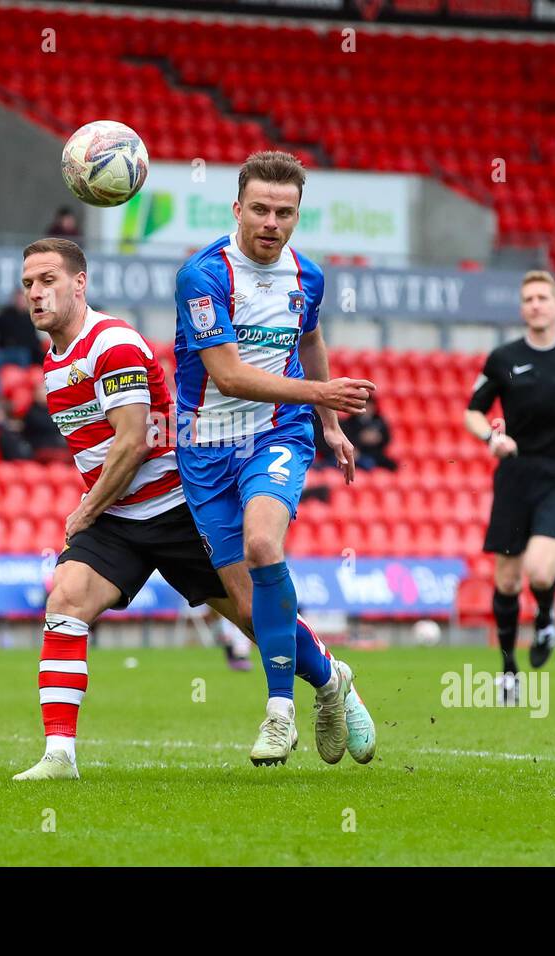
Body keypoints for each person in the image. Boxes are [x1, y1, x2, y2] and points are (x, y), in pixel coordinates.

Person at [12, 237, 375, 780]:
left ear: (79, 282)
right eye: (28, 285)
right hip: (121, 519)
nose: (36, 294)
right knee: (66, 599)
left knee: (255, 618)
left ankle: (330, 678)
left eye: (48, 280)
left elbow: (133, 442)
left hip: (178, 507)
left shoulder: (111, 344)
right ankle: (59, 756)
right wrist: (97, 512)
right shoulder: (55, 358)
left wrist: (85, 509)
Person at [173, 151, 376, 767]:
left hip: (275, 435)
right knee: (245, 609)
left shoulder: (308, 276)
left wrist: (329, 424)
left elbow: (309, 337)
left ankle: (279, 712)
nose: (271, 222)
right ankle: (334, 678)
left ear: (297, 215)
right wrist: (323, 393)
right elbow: (229, 376)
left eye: (284, 212)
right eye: (260, 209)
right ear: (237, 209)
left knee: (266, 546)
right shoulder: (203, 276)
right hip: (206, 449)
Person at [464, 269, 555, 705]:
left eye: (542, 297)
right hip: (514, 472)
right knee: (508, 581)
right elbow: (473, 411)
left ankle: (546, 617)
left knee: (542, 571)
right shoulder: (504, 358)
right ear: (522, 307)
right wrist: (492, 438)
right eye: (528, 298)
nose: (535, 304)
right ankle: (509, 669)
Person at [0, 287, 45, 365]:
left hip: (24, 351)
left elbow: (34, 340)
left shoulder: (30, 318)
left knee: (24, 355)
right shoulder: (5, 315)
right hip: (5, 349)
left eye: (22, 300)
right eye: (18, 299)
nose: (20, 302)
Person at [342, 395, 397, 471]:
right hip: (359, 454)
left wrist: (379, 438)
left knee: (392, 465)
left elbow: (387, 439)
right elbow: (347, 439)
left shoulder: (379, 420)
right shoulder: (350, 421)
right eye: (364, 406)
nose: (367, 409)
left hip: (376, 454)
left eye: (369, 406)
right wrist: (361, 438)